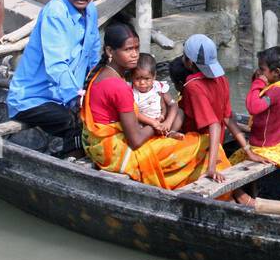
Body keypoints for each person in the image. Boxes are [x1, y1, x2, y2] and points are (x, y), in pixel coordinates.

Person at [80, 23, 229, 189]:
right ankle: (233, 196)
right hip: (116, 152)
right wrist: (157, 124)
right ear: (109, 51)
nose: (134, 54)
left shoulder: (102, 74)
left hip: (100, 146)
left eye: (137, 48)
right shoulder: (119, 86)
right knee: (206, 144)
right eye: (128, 49)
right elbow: (136, 141)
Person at [5, 0, 102, 150]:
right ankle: (71, 159)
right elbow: (57, 65)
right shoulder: (55, 14)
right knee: (73, 122)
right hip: (34, 97)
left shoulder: (91, 10)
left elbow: (93, 56)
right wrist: (78, 99)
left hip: (68, 93)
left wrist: (99, 88)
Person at [177, 33, 256, 196]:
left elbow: (214, 124)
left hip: (200, 148)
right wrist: (248, 150)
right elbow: (228, 118)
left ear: (189, 62)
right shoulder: (222, 79)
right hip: (216, 145)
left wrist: (211, 167)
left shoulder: (192, 87)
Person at [230, 46, 280, 170]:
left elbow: (253, 107)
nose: (259, 72)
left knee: (228, 165)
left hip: (266, 147)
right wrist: (258, 79)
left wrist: (257, 83)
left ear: (276, 72)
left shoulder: (274, 92)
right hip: (279, 142)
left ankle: (242, 191)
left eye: (262, 69)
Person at [129, 52, 180, 137]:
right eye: (137, 78)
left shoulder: (159, 86)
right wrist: (152, 122)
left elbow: (173, 104)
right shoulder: (131, 91)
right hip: (145, 124)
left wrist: (168, 122)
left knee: (179, 112)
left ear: (154, 76)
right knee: (133, 124)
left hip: (161, 119)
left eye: (147, 79)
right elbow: (134, 113)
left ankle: (172, 132)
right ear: (131, 76)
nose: (142, 82)